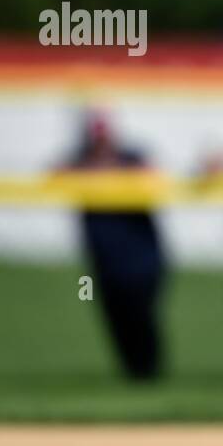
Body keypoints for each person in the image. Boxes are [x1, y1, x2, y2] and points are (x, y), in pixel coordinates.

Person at [61, 110, 166, 380]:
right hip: (104, 262)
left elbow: (154, 177)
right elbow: (53, 175)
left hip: (141, 258)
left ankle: (150, 371)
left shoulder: (131, 159)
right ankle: (134, 373)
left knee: (141, 314)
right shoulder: (80, 164)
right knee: (115, 317)